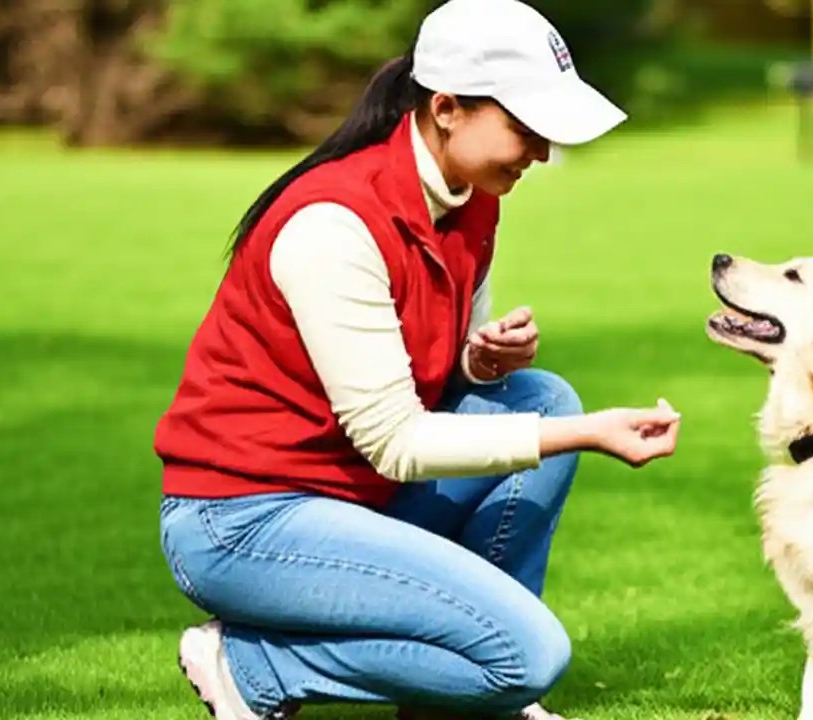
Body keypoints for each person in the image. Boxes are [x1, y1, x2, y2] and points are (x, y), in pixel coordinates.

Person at [152, 1, 682, 718]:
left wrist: (478, 362)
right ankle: (253, 665)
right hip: (244, 519)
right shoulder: (333, 223)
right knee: (531, 656)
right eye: (527, 129)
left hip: (353, 492)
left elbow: (426, 371)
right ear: (447, 108)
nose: (544, 153)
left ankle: (465, 702)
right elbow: (396, 438)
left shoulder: (471, 198)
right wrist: (587, 434)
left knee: (541, 395)